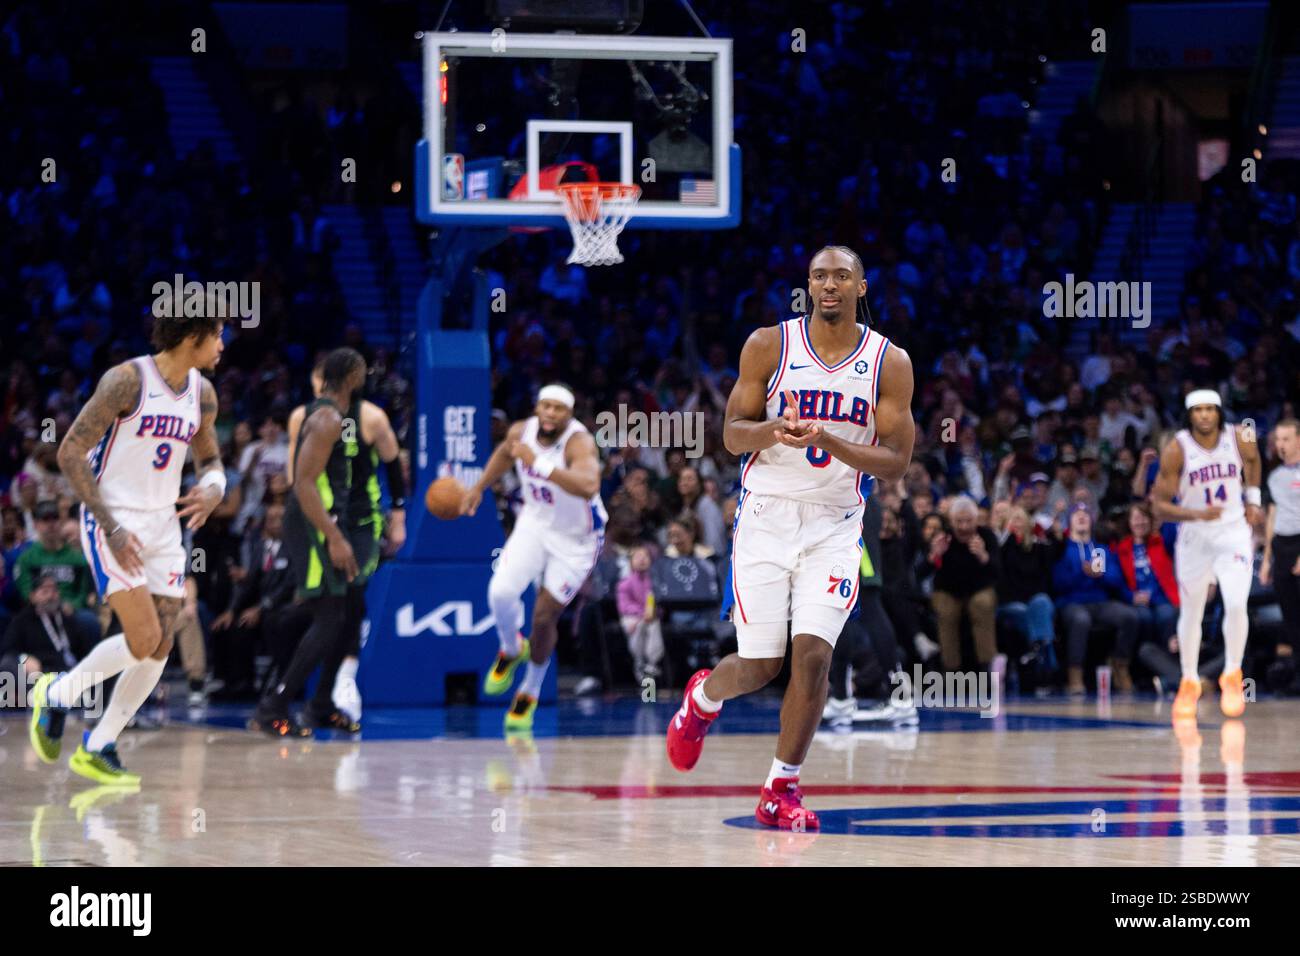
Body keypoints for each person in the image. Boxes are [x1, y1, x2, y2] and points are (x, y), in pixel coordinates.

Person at [666, 245, 914, 831]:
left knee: (813, 656)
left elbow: (896, 461)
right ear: (808, 284)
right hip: (766, 518)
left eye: (841, 276)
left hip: (835, 523)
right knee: (759, 665)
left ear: (861, 287)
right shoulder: (769, 345)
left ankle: (781, 787)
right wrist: (774, 429)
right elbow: (731, 434)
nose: (829, 285)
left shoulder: (889, 362)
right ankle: (702, 698)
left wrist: (830, 440)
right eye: (819, 276)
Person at [29, 311, 227, 784]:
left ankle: (99, 743)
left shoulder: (202, 392)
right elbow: (69, 450)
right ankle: (56, 693)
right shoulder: (127, 380)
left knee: (160, 647)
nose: (223, 344)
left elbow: (210, 458)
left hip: (164, 526)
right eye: (217, 335)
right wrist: (110, 525)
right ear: (193, 336)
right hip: (113, 519)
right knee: (141, 640)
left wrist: (215, 487)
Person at [461, 382, 606, 732]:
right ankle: (511, 649)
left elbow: (588, 486)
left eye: (559, 409)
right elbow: (504, 454)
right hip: (535, 523)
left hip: (577, 539)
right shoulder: (520, 431)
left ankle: (530, 688)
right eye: (546, 406)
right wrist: (478, 487)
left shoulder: (579, 442)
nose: (551, 413)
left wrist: (538, 464)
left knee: (543, 617)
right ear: (537, 408)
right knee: (499, 592)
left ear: (569, 414)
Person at [249, 348, 371, 736]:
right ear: (351, 374)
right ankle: (274, 707)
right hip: (314, 526)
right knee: (329, 616)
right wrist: (334, 537)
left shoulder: (342, 416)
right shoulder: (325, 419)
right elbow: (302, 484)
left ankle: (320, 706)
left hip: (332, 522)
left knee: (350, 612)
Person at [286, 357, 407, 723]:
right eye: (316, 376)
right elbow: (299, 478)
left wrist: (397, 516)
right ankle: (314, 698)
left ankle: (340, 683)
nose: (320, 383)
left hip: (360, 520)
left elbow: (392, 464)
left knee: (351, 600)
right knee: (328, 610)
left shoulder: (370, 416)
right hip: (320, 518)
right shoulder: (302, 417)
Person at [1152, 389, 1263, 721]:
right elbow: (1159, 506)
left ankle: (1232, 672)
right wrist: (1196, 515)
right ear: (1190, 415)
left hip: (1232, 532)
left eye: (1209, 409)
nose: (1204, 415)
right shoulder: (1177, 449)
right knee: (1192, 612)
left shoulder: (1240, 436)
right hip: (1195, 537)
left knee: (1236, 603)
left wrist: (1254, 499)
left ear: (1219, 412)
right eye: (1198, 410)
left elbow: (1254, 462)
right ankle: (1188, 680)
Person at [1051, 503, 1139, 694]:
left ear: (1092, 521)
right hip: (1071, 602)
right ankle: (1075, 673)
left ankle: (1119, 665)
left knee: (1129, 617)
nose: (1081, 517)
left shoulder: (1102, 549)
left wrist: (1101, 574)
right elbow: (1057, 583)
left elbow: (1116, 579)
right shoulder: (1062, 548)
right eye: (1077, 514)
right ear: (1070, 521)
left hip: (1100, 601)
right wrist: (1083, 573)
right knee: (1080, 619)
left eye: (1085, 514)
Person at [1, 574, 95, 705]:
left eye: (54, 591)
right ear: (33, 596)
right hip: (43, 672)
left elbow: (85, 650)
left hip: (71, 671)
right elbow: (8, 649)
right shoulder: (22, 620)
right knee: (8, 665)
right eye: (45, 592)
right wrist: (24, 658)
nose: (51, 596)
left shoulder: (68, 618)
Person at [1114, 502, 1180, 674]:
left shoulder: (1161, 541)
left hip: (1161, 599)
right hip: (1136, 602)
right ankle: (1141, 670)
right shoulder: (1121, 548)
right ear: (1129, 522)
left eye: (1143, 517)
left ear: (1150, 521)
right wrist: (1131, 596)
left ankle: (1167, 668)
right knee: (1143, 618)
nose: (1140, 522)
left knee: (1166, 616)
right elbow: (1117, 580)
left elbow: (1173, 531)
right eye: (1135, 518)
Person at [997, 506, 1060, 683]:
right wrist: (1008, 537)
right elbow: (999, 572)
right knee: (1024, 611)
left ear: (1028, 523)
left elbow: (1055, 554)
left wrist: (1055, 533)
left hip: (1033, 600)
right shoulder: (1002, 547)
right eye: (1012, 519)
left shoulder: (1039, 548)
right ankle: (1047, 662)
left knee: (1042, 602)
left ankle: (1037, 652)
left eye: (1019, 519)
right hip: (1010, 602)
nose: (1015, 523)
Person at [1259, 419, 1300, 659]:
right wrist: (1266, 560)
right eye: (1277, 440)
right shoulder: (1274, 476)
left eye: (1286, 439)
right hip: (1281, 547)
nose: (1280, 445)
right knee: (1289, 613)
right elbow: (1272, 517)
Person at [616, 545, 664, 682]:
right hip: (631, 617)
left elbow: (660, 603)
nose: (642, 560)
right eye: (638, 556)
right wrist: (641, 614)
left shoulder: (655, 582)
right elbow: (624, 606)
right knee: (638, 626)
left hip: (651, 617)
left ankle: (651, 663)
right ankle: (639, 661)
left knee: (653, 626)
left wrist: (654, 613)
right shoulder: (624, 583)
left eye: (645, 556)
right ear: (631, 561)